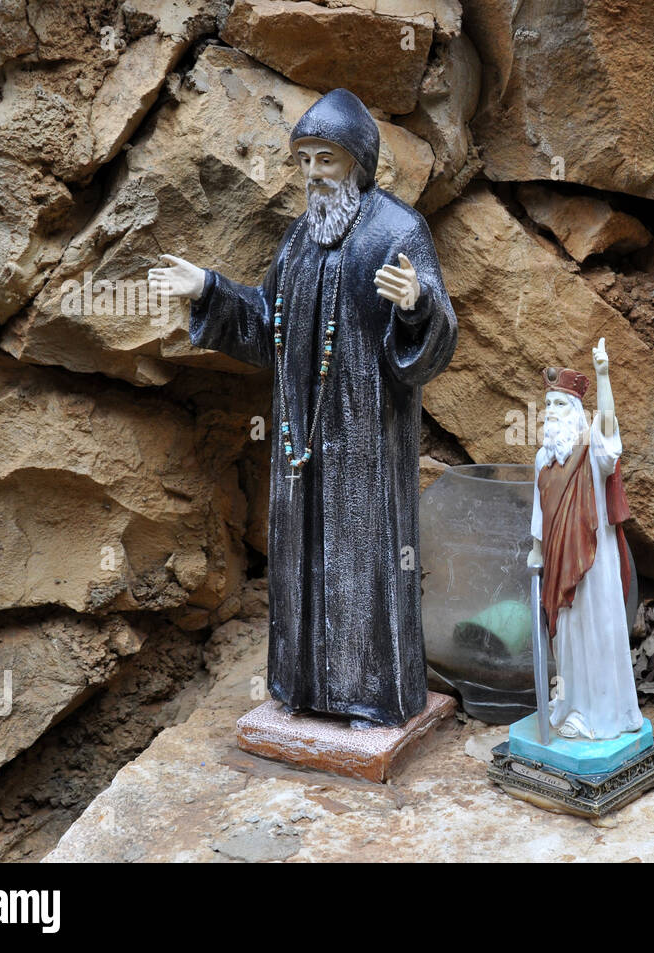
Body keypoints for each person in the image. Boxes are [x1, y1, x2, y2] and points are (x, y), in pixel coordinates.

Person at [147, 88, 457, 727]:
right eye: (306, 160)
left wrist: (418, 305)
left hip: (366, 444)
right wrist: (210, 289)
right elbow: (269, 328)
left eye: (328, 160)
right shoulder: (295, 241)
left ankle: (372, 696)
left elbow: (437, 340)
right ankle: (303, 690)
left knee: (364, 564)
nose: (314, 175)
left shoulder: (399, 230)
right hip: (299, 449)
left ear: (359, 162)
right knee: (299, 567)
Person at [526, 341, 641, 740]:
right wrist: (537, 550)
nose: (551, 413)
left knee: (595, 629)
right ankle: (571, 702)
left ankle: (599, 712)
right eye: (548, 406)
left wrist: (604, 375)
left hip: (593, 560)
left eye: (560, 406)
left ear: (576, 412)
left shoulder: (592, 446)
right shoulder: (544, 458)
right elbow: (540, 510)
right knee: (567, 634)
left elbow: (609, 428)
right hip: (558, 559)